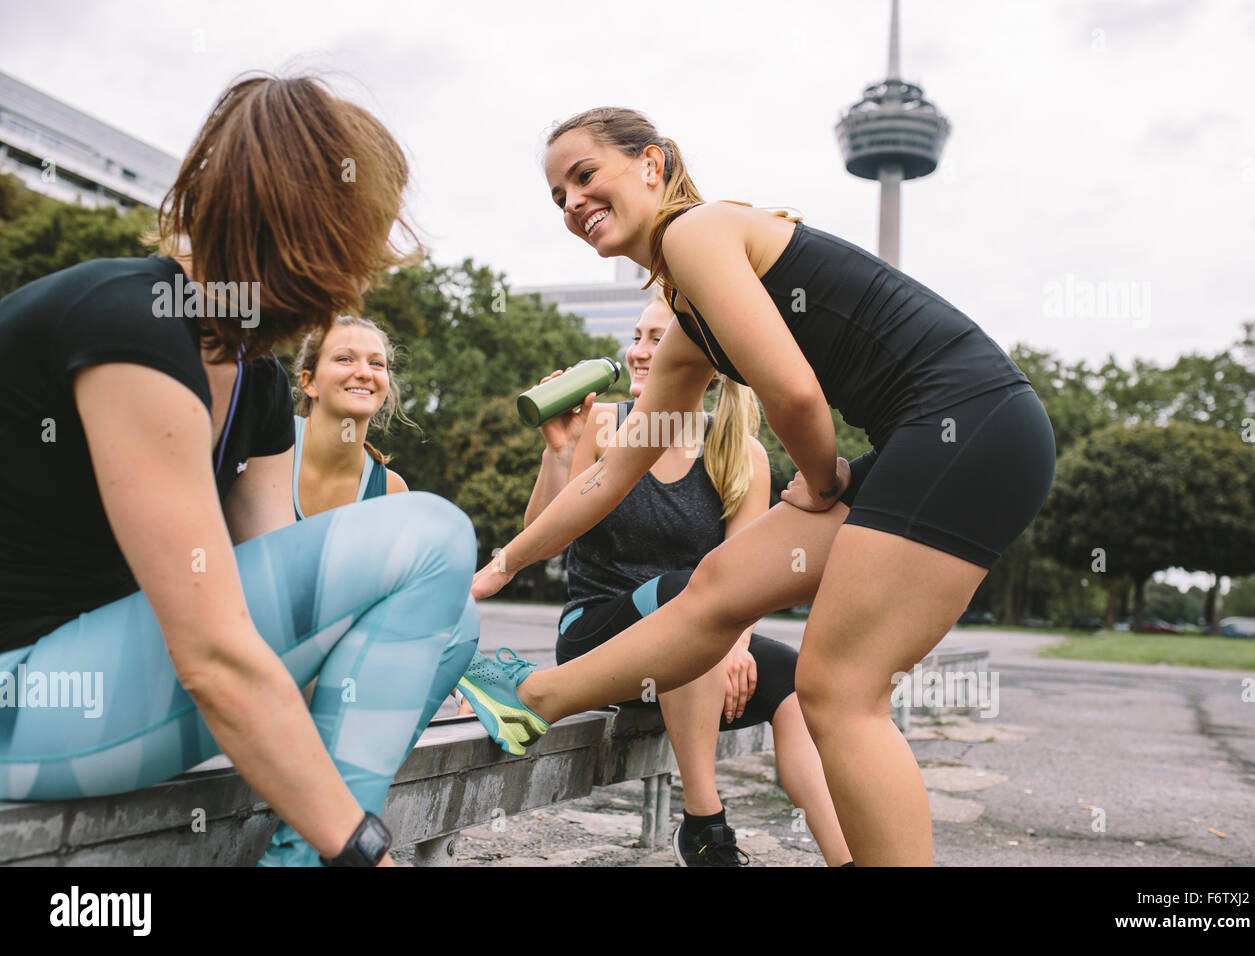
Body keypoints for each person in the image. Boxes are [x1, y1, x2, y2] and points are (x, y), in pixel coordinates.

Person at [462, 108, 1056, 866]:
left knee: (840, 692)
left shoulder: (699, 232)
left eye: (585, 176)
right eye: (557, 196)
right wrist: (508, 561)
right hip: (942, 434)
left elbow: (796, 395)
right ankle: (538, 697)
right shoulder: (684, 327)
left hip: (966, 423)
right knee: (718, 585)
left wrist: (820, 480)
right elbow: (612, 473)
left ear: (653, 164)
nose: (572, 203)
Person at [0, 74, 477, 867]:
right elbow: (216, 654)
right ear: (315, 234)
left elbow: (274, 582)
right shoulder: (133, 328)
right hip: (23, 698)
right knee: (433, 533)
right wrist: (366, 854)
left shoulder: (252, 376)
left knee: (452, 622)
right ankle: (329, 854)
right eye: (363, 243)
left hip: (94, 692)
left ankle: (297, 858)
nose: (364, 276)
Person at [487, 292, 850, 866]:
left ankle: (846, 858)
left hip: (696, 645)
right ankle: (704, 826)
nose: (636, 352)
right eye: (636, 337)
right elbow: (543, 536)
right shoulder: (602, 425)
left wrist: (734, 645)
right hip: (596, 638)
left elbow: (747, 573)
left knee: (796, 684)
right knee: (689, 596)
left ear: (705, 361)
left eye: (657, 339)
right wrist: (558, 453)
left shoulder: (742, 453)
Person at [290, 315, 412, 520]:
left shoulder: (392, 493)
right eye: (344, 359)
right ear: (309, 381)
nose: (365, 373)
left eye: (376, 363)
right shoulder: (268, 446)